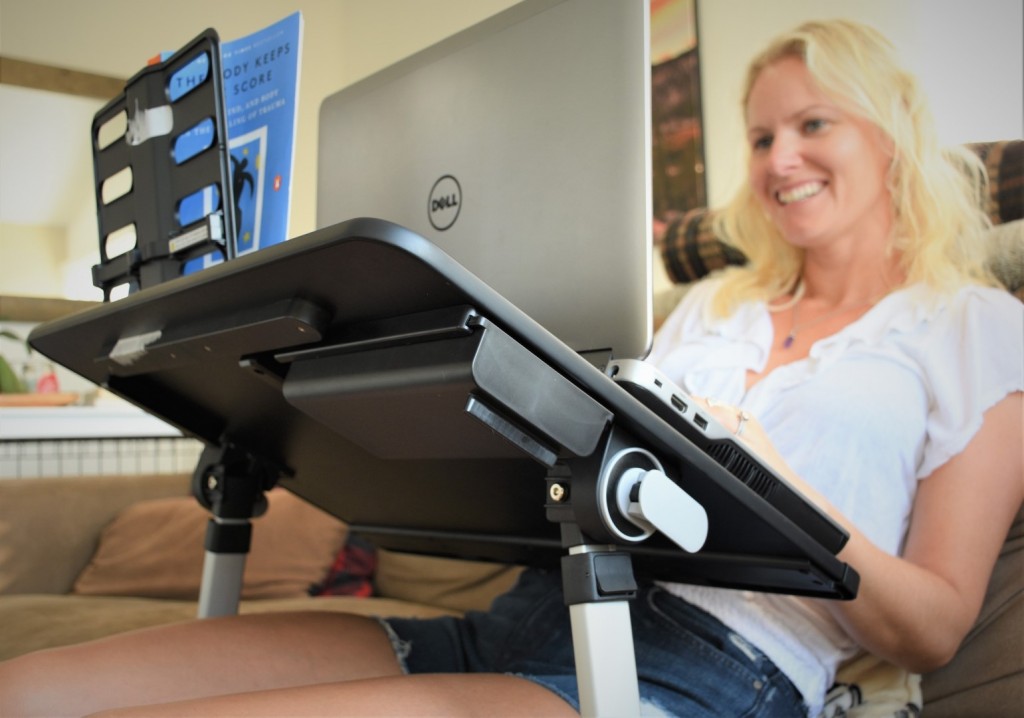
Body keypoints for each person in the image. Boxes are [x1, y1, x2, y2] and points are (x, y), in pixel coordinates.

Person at [1, 18, 1021, 718]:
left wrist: (760, 476)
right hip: (534, 614)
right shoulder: (713, 305)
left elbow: (931, 625)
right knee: (37, 688)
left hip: (715, 673)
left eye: (812, 123)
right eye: (760, 134)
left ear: (893, 134)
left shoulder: (973, 327)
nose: (778, 158)